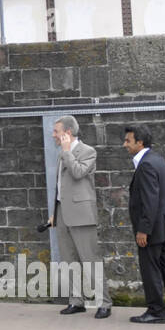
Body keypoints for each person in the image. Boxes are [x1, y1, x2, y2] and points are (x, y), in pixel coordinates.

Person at [124, 125, 165, 324]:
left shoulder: (145, 165)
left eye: (128, 141)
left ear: (140, 143)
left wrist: (143, 230)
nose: (125, 144)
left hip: (153, 227)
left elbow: (150, 200)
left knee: (150, 269)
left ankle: (156, 311)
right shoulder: (157, 159)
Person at [48, 115, 111, 317]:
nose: (53, 135)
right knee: (69, 260)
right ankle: (76, 301)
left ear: (67, 132)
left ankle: (104, 303)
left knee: (90, 259)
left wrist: (67, 152)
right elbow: (60, 188)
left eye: (56, 131)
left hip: (82, 215)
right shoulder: (61, 154)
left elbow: (77, 173)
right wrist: (54, 214)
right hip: (63, 214)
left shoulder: (87, 151)